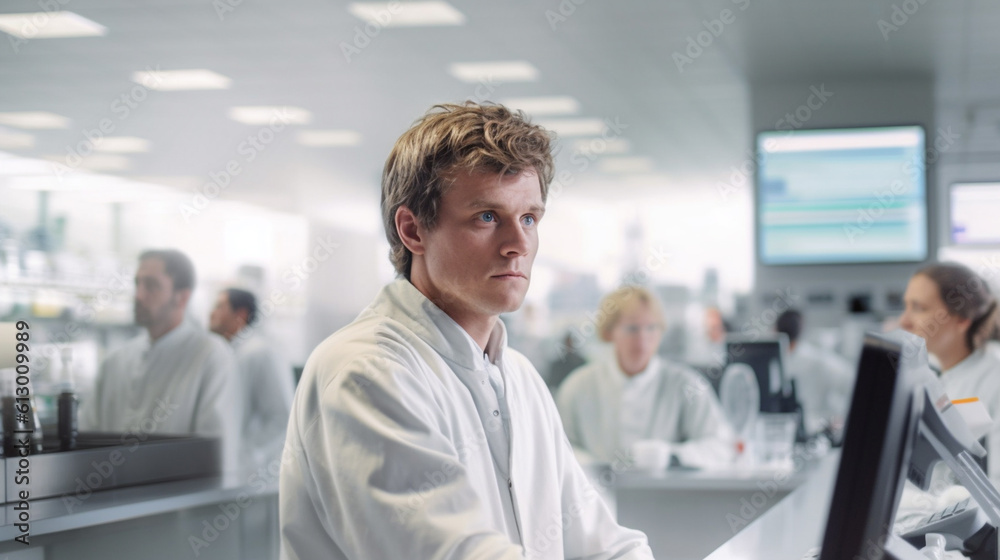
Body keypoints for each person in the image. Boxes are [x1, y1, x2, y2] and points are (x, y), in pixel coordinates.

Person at [279, 103, 653, 559]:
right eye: (487, 217)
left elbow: (600, 543)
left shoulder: (517, 377)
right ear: (413, 230)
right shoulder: (366, 372)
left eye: (529, 218)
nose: (517, 244)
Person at [81, 249, 239, 472]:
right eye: (138, 284)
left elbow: (215, 454)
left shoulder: (210, 355)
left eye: (151, 286)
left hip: (180, 503)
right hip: (113, 501)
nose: (138, 295)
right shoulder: (116, 361)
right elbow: (87, 437)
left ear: (182, 297)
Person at [556, 286, 734, 469]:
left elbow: (722, 447)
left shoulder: (687, 385)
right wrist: (589, 466)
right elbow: (555, 447)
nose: (642, 339)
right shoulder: (577, 386)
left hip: (666, 496)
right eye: (632, 328)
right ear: (609, 332)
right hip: (595, 495)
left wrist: (671, 456)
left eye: (651, 328)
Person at [899, 262, 1000, 484]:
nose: (903, 321)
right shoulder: (936, 376)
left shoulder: (994, 381)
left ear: (962, 319)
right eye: (906, 307)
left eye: (918, 308)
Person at [209, 287, 294, 472]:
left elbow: (281, 417)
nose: (211, 313)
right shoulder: (231, 353)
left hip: (253, 473)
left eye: (219, 307)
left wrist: (245, 453)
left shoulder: (261, 352)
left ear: (241, 314)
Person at [775, 309, 854, 436]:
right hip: (803, 430)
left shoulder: (815, 359)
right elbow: (853, 381)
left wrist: (839, 420)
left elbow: (852, 382)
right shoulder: (818, 358)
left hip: (811, 431)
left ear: (775, 330)